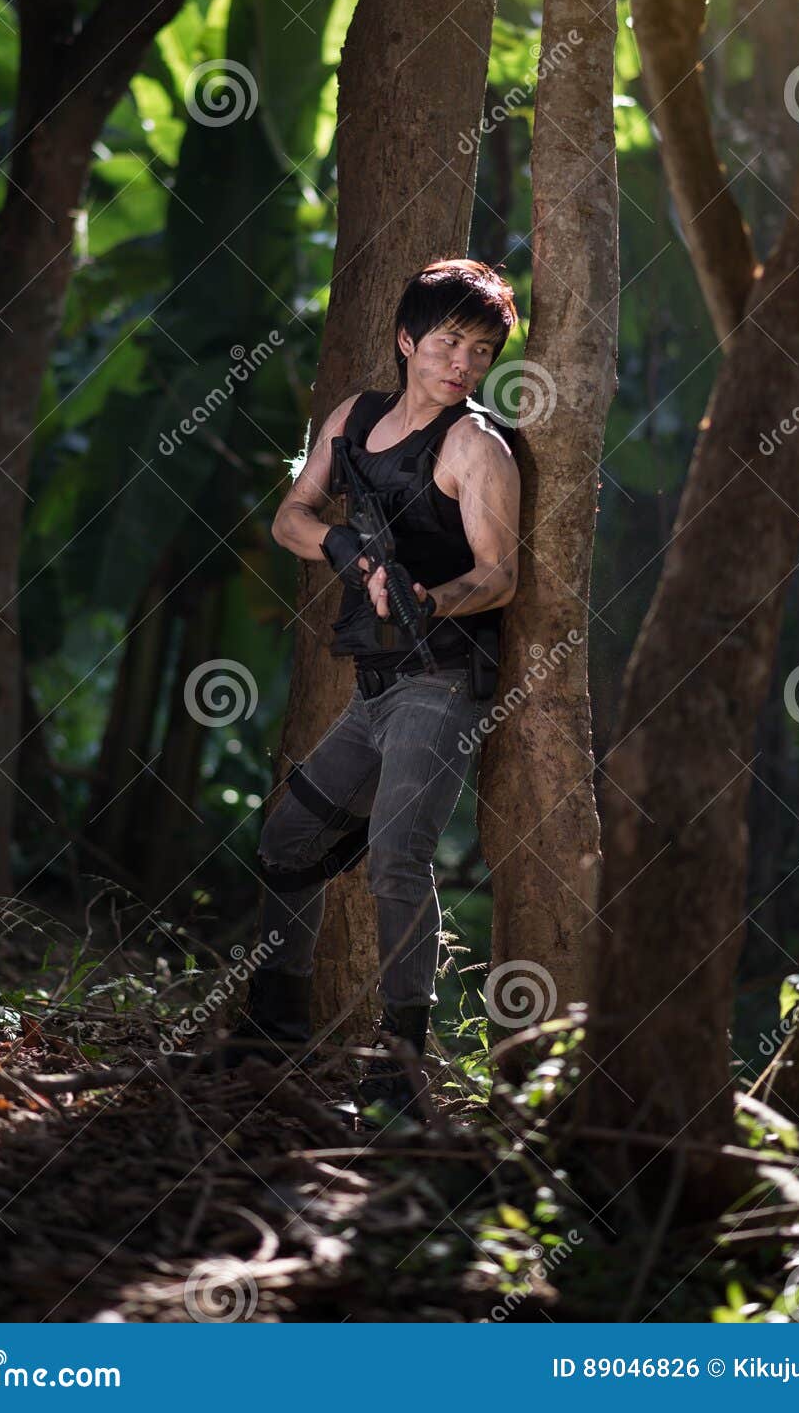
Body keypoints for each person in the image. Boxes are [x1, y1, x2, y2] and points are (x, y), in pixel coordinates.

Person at [222, 259, 521, 1115]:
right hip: (374, 687)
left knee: (398, 859)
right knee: (285, 843)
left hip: (445, 680)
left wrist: (433, 596)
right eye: (449, 342)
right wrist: (346, 551)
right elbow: (291, 516)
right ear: (406, 340)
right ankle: (273, 1030)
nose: (463, 363)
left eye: (482, 349)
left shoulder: (477, 446)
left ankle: (397, 1070)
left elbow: (501, 575)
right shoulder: (354, 419)